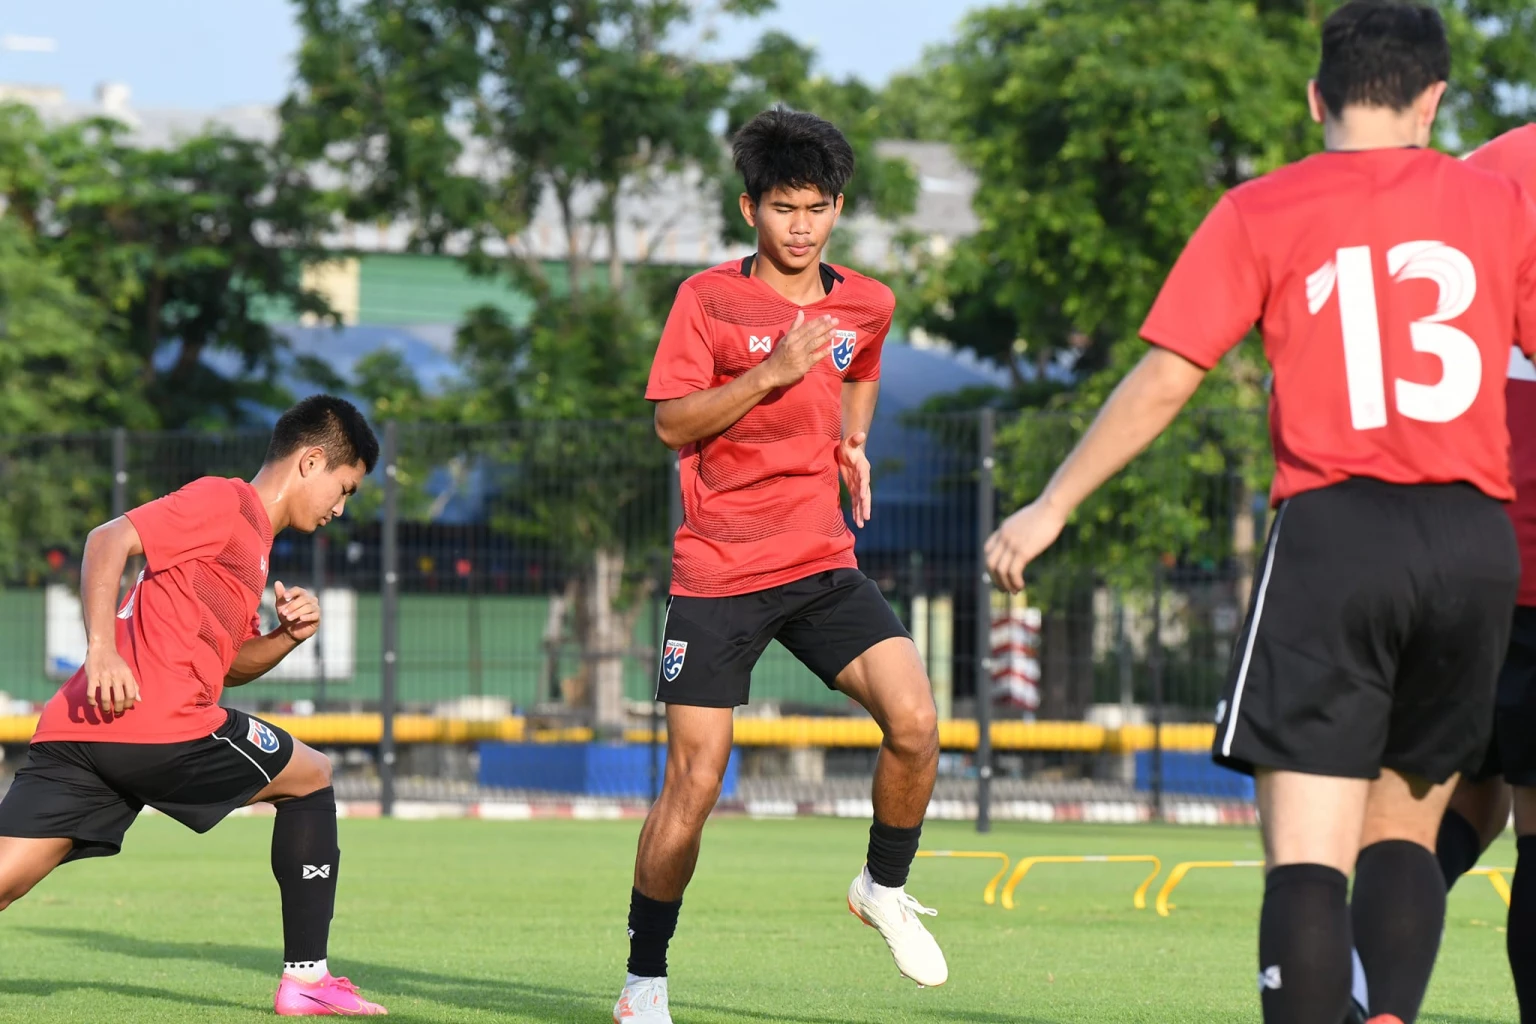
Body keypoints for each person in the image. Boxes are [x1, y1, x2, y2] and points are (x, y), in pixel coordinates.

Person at [981, 4, 1536, 1023]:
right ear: (1434, 100)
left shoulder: (1262, 208)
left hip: (1339, 534)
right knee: (1410, 835)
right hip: (1474, 547)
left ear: (1317, 96)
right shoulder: (1498, 203)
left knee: (1309, 859)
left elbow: (1166, 376)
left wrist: (1055, 501)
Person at [612, 108, 945, 1024]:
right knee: (697, 780)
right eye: (783, 208)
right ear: (749, 207)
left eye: (819, 208)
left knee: (916, 723)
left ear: (837, 208)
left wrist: (855, 439)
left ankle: (882, 886)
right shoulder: (708, 301)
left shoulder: (865, 300)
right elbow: (671, 424)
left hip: (819, 560)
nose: (802, 227)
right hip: (718, 569)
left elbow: (864, 359)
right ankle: (644, 983)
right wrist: (770, 372)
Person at [0, 395, 388, 1017]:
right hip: (158, 726)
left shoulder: (251, 550)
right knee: (312, 776)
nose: (340, 509)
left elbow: (226, 666)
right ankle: (307, 978)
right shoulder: (225, 502)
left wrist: (285, 637)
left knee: (3, 880)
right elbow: (106, 540)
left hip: (84, 728)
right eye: (345, 489)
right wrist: (101, 650)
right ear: (311, 462)